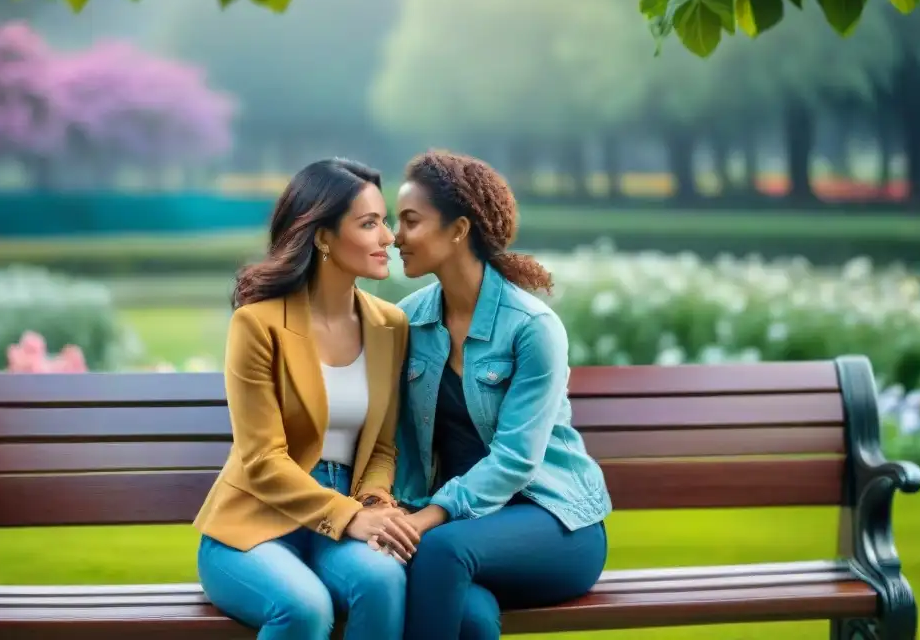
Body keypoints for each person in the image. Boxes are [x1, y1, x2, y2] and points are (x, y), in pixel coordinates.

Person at [387, 150, 613, 640]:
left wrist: (429, 517)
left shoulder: (531, 328)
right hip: (464, 532)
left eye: (409, 220)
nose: (394, 236)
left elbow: (515, 459)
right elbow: (392, 436)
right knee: (467, 615)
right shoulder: (408, 322)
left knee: (440, 552)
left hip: (554, 523)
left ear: (458, 229)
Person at [194, 158, 420, 640]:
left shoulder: (390, 326)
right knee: (304, 608)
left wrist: (375, 505)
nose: (389, 238)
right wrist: (351, 516)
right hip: (252, 523)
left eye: (386, 221)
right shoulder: (258, 324)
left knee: (383, 580)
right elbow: (261, 460)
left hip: (347, 511)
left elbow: (381, 447)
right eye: (369, 223)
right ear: (322, 236)